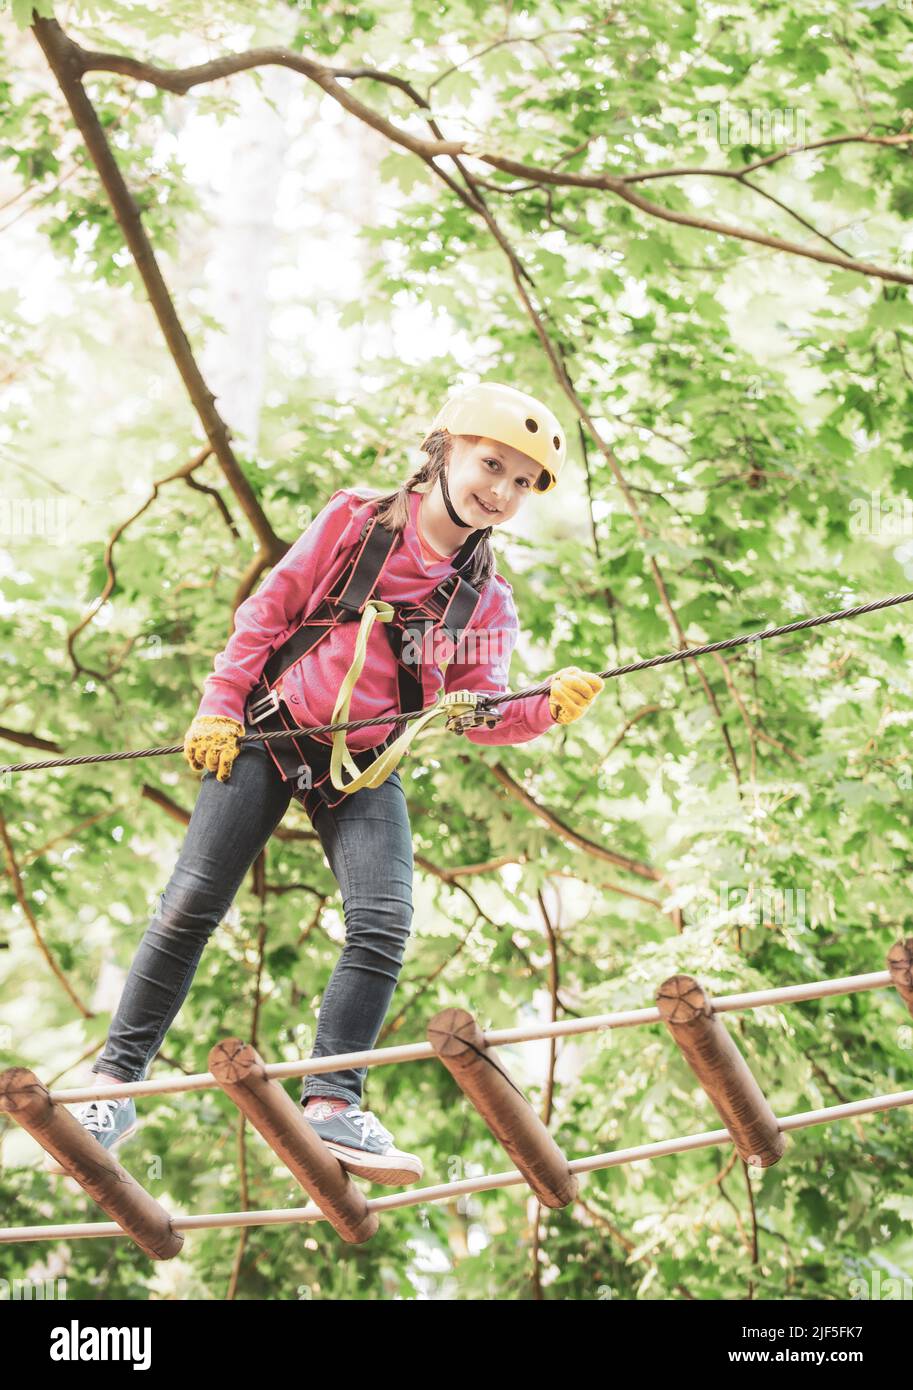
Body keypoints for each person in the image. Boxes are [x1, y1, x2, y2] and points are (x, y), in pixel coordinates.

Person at [47, 382, 605, 1187]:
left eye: (522, 483)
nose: (502, 492)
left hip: (362, 765)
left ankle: (333, 1102)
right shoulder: (355, 522)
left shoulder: (485, 597)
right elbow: (266, 615)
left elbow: (477, 708)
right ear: (443, 450)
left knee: (383, 920)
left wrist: (542, 707)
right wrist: (218, 709)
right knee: (192, 902)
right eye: (492, 465)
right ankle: (113, 1086)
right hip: (273, 728)